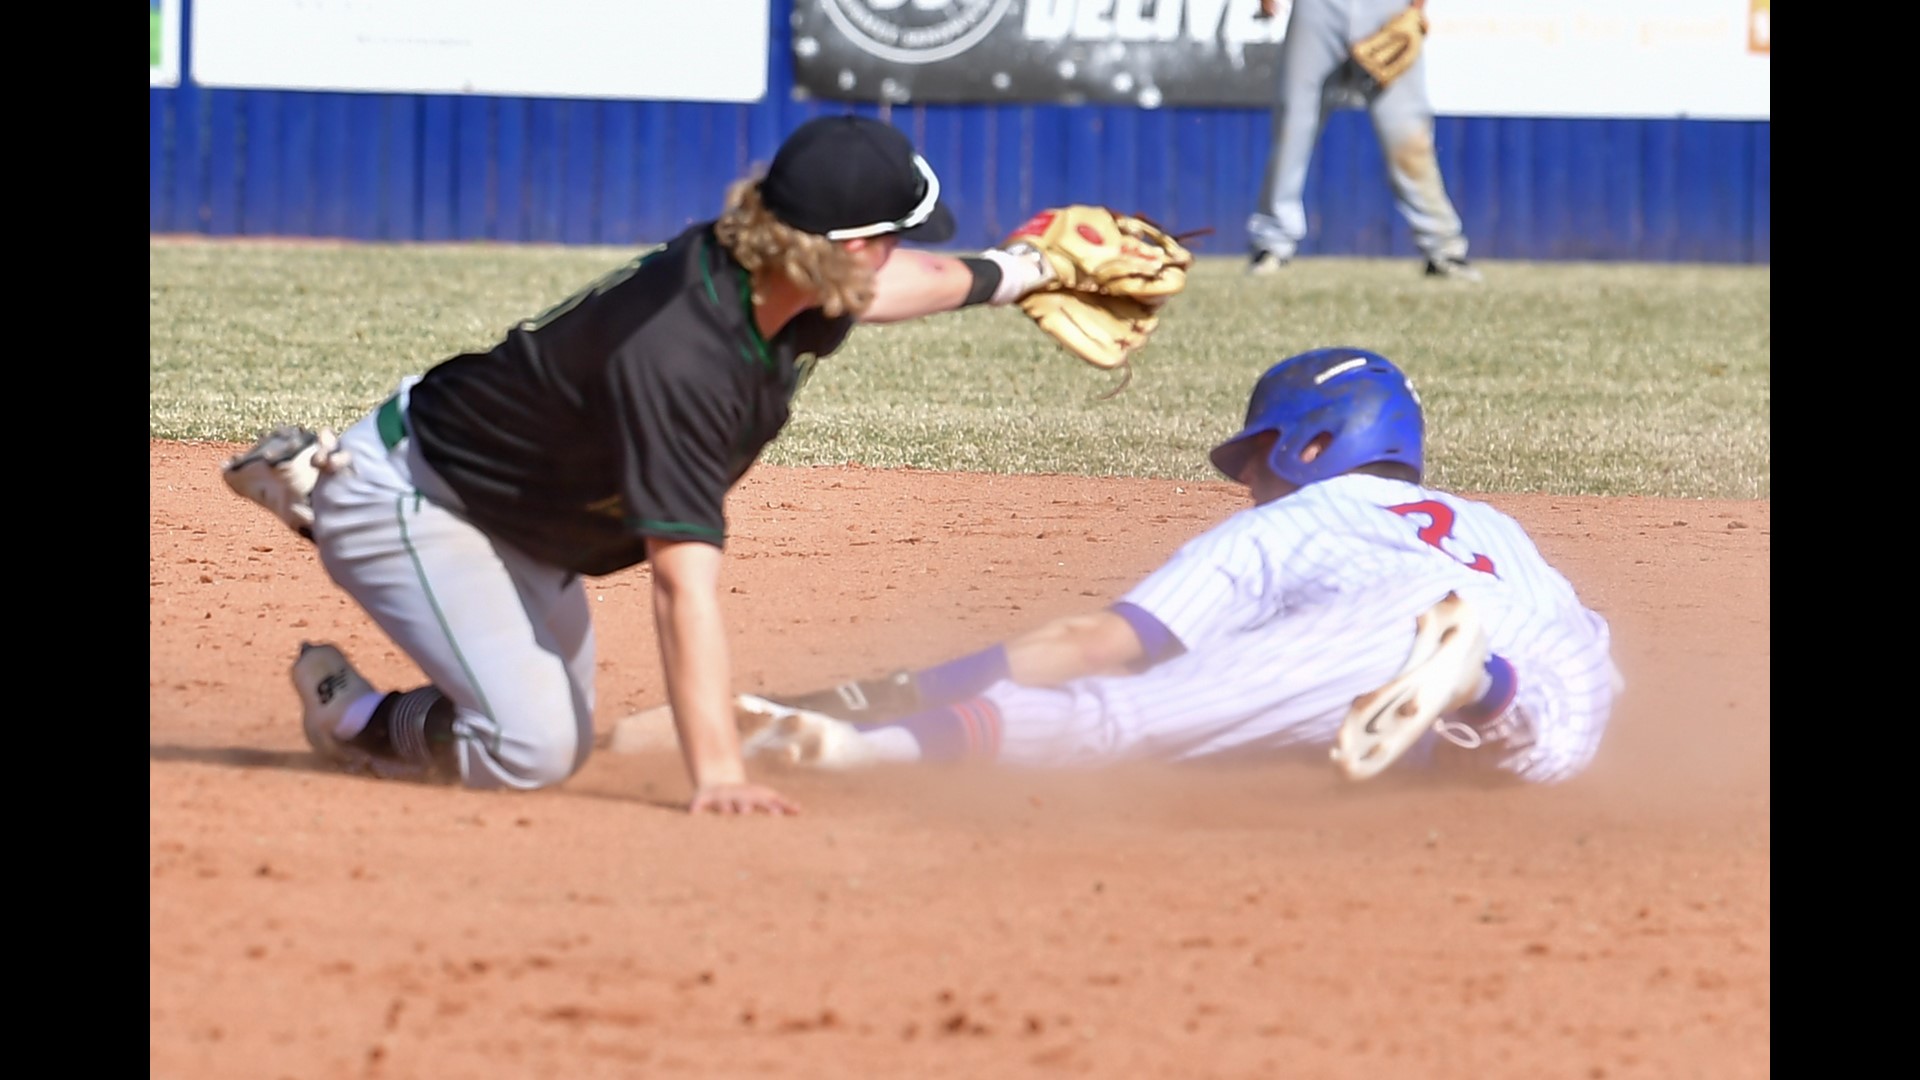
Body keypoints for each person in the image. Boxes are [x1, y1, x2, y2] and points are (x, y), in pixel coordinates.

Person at [219, 115, 1060, 816]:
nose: (897, 254)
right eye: (890, 238)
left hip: (517, 512)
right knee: (533, 752)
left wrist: (1027, 272)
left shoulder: (766, 270)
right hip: (419, 498)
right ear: (850, 250)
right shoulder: (685, 360)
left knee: (561, 725)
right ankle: (353, 702)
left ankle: (335, 530)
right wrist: (719, 773)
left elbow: (905, 282)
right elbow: (680, 587)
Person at [741, 347, 1621, 785]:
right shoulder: (1494, 524)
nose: (1248, 482)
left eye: (1257, 458)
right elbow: (1587, 636)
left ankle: (859, 747)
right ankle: (1487, 687)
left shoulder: (1299, 521)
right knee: (1556, 736)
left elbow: (1104, 644)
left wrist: (907, 688)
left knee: (1119, 717)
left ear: (1315, 446)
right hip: (1553, 643)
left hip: (1390, 627)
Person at [1246, 0, 1482, 282]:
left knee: (1407, 134)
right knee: (1292, 124)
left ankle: (1443, 249)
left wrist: (1417, 7)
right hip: (1318, 7)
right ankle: (1271, 243)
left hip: (1386, 7)